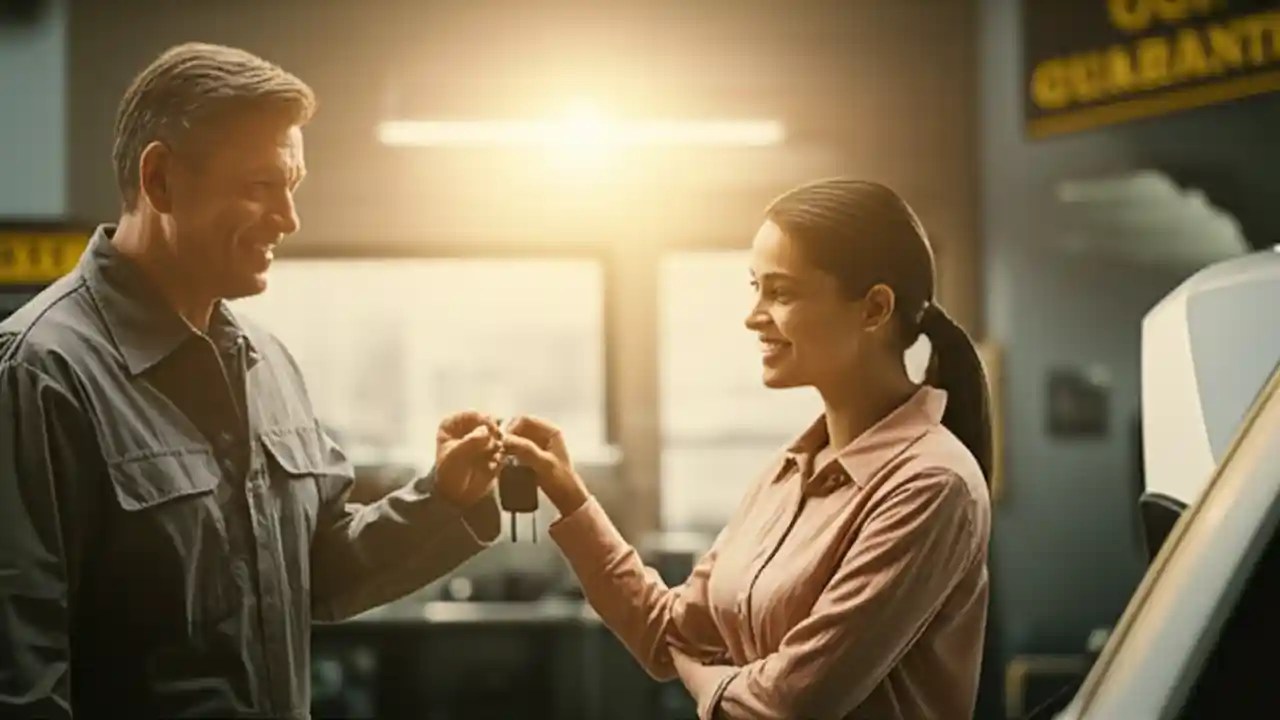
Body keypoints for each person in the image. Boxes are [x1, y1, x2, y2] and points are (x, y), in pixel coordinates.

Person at [0, 43, 503, 718]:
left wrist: (443, 497)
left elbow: (319, 573)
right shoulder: (40, 374)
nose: (289, 219)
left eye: (292, 188)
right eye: (262, 187)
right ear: (161, 181)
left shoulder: (267, 364)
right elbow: (21, 676)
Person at [502, 178, 994, 720]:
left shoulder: (930, 483)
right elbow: (665, 632)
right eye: (754, 287)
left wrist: (700, 676)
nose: (753, 315)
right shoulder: (786, 474)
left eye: (781, 293)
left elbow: (789, 704)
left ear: (875, 308)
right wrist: (570, 496)